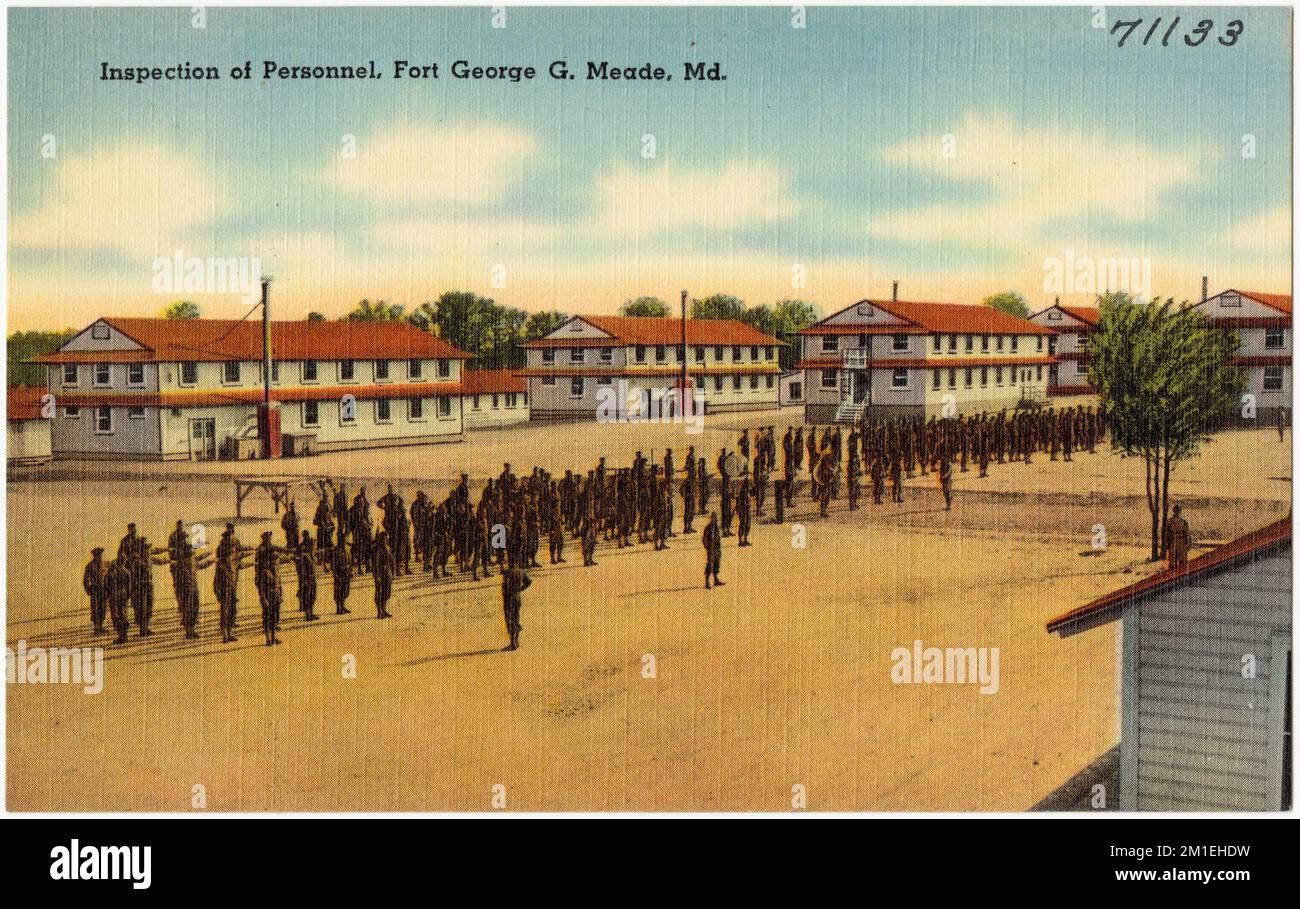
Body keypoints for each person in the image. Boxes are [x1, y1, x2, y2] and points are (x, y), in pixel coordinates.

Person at [255, 531, 284, 646]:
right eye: (274, 560)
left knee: (275, 616)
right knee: (267, 617)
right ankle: (268, 639)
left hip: (275, 594)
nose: (276, 562)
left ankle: (273, 637)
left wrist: (280, 594)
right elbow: (261, 584)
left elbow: (279, 583)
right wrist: (263, 597)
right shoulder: (264, 570)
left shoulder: (275, 570)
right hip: (267, 594)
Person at [500, 565, 532, 651]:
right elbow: (529, 581)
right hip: (517, 597)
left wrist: (504, 594)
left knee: (510, 620)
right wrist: (520, 589)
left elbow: (505, 586)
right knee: (516, 618)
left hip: (509, 598)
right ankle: (516, 641)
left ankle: (512, 643)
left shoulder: (507, 573)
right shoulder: (521, 571)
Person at [105, 553, 133, 644]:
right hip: (123, 596)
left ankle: (121, 636)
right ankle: (124, 635)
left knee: (116, 616)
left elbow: (106, 584)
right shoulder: (127, 572)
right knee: (123, 615)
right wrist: (127, 596)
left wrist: (108, 595)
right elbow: (129, 587)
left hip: (114, 596)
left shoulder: (112, 571)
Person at [83, 547, 108, 635]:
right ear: (95, 556)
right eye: (99, 555)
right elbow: (86, 580)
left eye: (101, 555)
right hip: (95, 591)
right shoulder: (90, 566)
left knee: (103, 609)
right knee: (95, 609)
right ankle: (96, 628)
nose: (101, 557)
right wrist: (89, 590)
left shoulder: (104, 564)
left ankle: (101, 627)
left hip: (104, 590)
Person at [296, 529, 319, 621]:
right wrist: (304, 579)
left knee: (312, 596)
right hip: (306, 578)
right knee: (307, 596)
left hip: (312, 577)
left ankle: (311, 613)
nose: (314, 547)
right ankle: (307, 614)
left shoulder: (311, 554)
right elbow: (300, 568)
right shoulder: (303, 553)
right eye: (313, 546)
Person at [372, 529, 395, 619]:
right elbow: (375, 564)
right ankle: (379, 612)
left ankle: (384, 610)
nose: (386, 540)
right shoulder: (377, 549)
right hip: (380, 573)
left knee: (386, 592)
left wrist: (392, 573)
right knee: (379, 593)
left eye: (387, 538)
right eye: (385, 538)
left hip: (387, 572)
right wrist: (377, 576)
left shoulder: (388, 548)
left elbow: (391, 560)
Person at [1164, 504, 1192, 569]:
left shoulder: (1184, 521)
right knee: (1172, 562)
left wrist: (1188, 543)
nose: (1177, 512)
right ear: (1174, 511)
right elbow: (1167, 533)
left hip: (1182, 542)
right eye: (1176, 510)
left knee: (1183, 562)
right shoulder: (1169, 521)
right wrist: (1167, 543)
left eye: (1178, 510)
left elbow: (1187, 533)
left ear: (1180, 511)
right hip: (1173, 541)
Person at [330, 533, 352, 615]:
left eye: (345, 539)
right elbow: (333, 563)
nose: (344, 541)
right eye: (343, 540)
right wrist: (335, 573)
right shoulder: (336, 550)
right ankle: (338, 608)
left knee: (345, 590)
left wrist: (350, 570)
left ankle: (343, 606)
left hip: (346, 571)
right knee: (339, 591)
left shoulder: (347, 548)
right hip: (339, 572)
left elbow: (350, 559)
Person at [702, 511, 723, 589]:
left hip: (717, 548)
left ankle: (716, 580)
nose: (715, 519)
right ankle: (707, 582)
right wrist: (708, 546)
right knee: (710, 564)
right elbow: (704, 539)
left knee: (717, 563)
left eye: (716, 518)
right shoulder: (708, 527)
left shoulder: (716, 527)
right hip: (711, 548)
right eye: (714, 518)